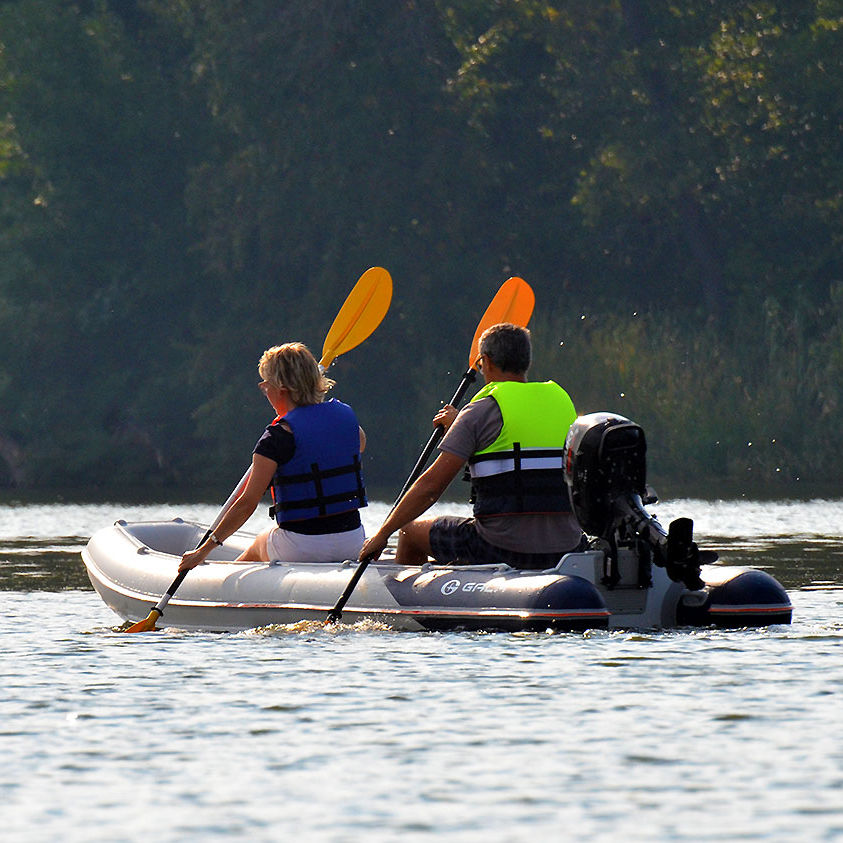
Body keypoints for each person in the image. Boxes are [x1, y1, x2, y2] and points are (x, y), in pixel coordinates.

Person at [359, 323, 584, 568]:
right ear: (526, 361)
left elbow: (431, 488)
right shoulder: (563, 404)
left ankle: (407, 603)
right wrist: (460, 425)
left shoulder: (478, 412)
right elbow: (512, 445)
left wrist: (383, 533)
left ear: (485, 361)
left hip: (500, 546)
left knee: (409, 531)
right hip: (566, 545)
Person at [179, 342, 367, 572]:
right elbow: (359, 446)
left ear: (281, 389)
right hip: (352, 540)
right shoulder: (346, 419)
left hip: (303, 545)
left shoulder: (276, 438)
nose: (264, 391)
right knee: (272, 537)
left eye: (265, 385)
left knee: (260, 542)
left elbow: (247, 504)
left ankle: (218, 590)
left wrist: (203, 550)